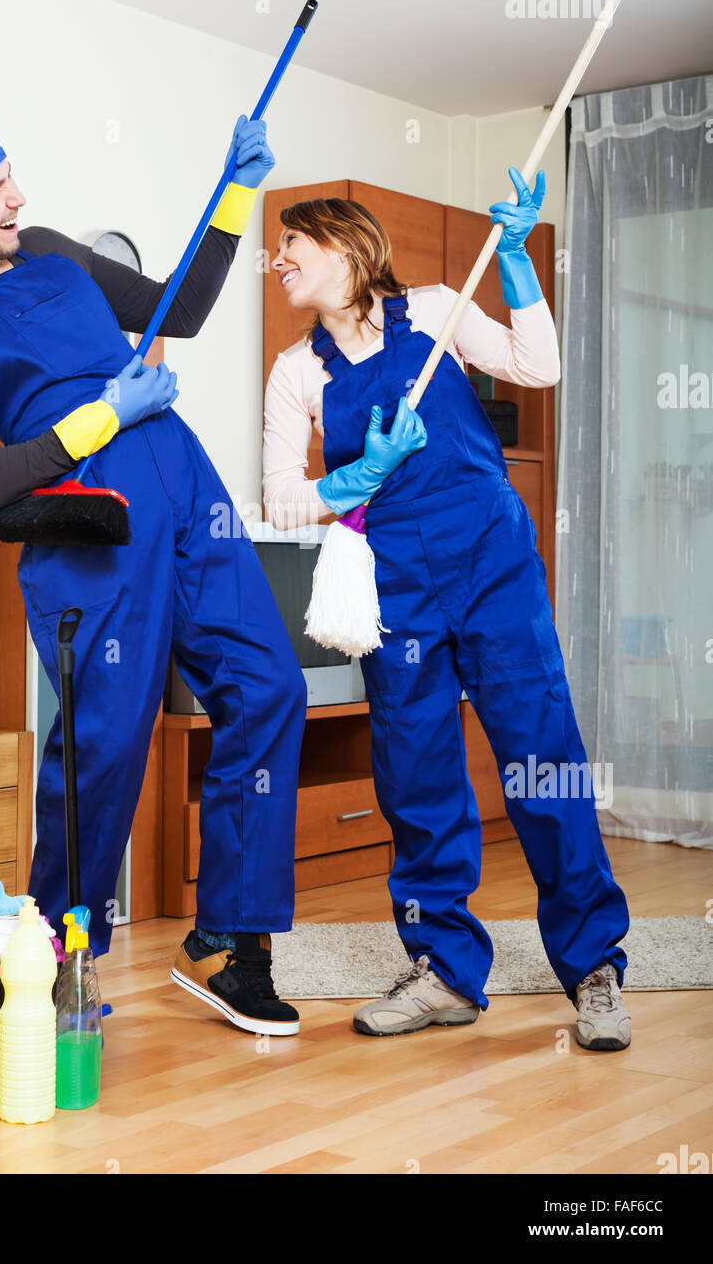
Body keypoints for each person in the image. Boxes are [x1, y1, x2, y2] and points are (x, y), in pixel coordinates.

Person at [0, 114, 307, 1037]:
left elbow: (177, 310)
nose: (19, 200)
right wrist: (101, 416)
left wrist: (235, 190)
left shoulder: (49, 252)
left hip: (185, 482)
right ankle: (58, 973)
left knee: (270, 687)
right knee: (104, 748)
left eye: (11, 181)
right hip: (90, 522)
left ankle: (236, 947)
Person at [263, 170, 632, 1051]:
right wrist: (354, 479)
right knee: (418, 776)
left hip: (494, 565)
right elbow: (280, 501)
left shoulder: (432, 310)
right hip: (397, 588)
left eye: (292, 245)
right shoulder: (296, 371)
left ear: (347, 248)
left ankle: (592, 967)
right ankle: (443, 972)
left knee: (543, 757)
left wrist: (515, 262)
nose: (277, 261)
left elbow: (537, 367)